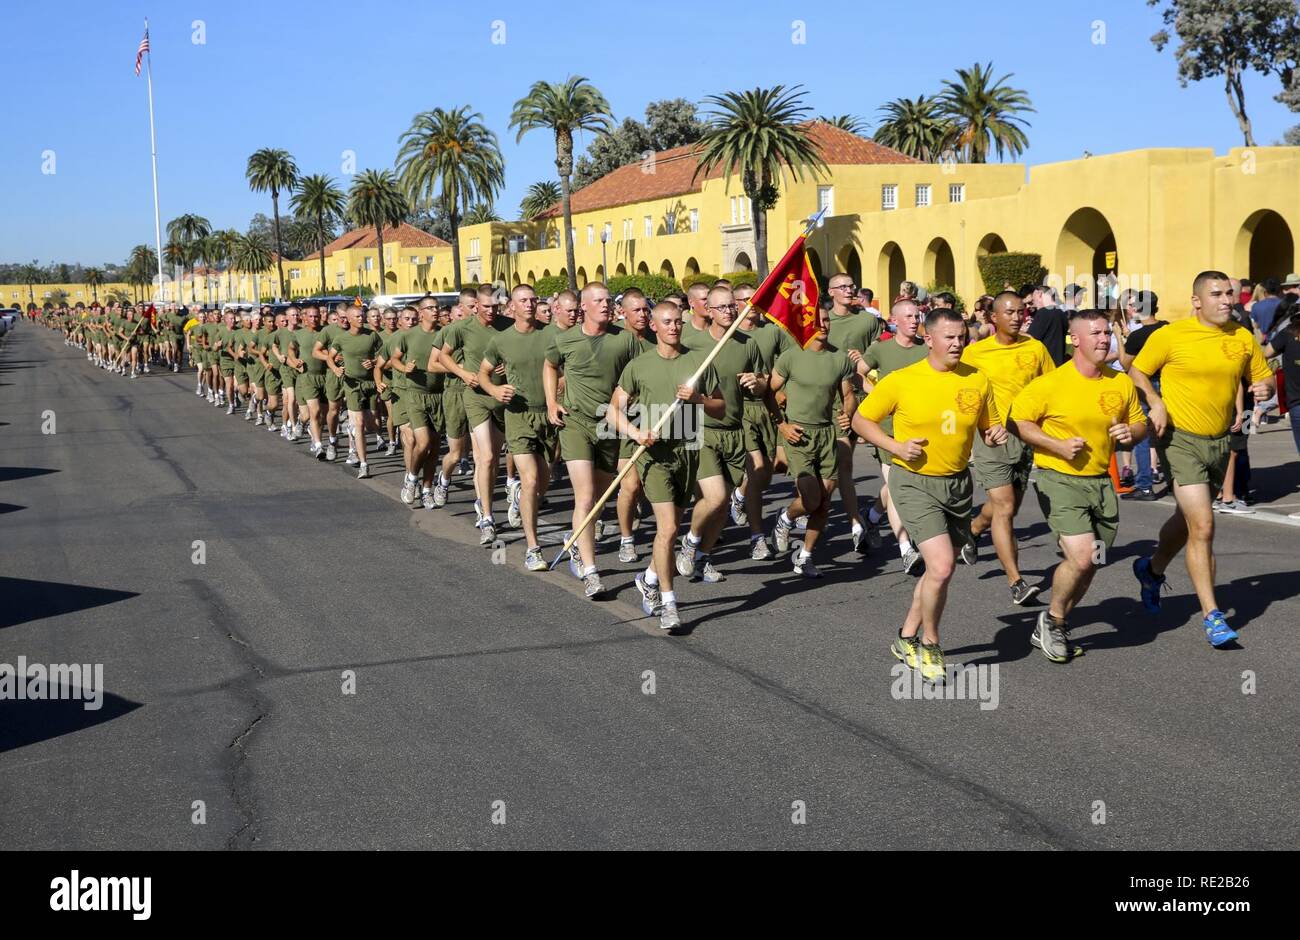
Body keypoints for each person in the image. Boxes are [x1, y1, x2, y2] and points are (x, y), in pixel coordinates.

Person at [854, 307, 1005, 682]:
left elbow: (989, 425)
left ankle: (905, 636)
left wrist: (994, 434)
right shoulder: (903, 380)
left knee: (940, 573)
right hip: (913, 481)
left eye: (962, 336)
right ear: (929, 338)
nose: (957, 343)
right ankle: (930, 643)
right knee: (941, 566)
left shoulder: (978, 379)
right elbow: (861, 419)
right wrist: (895, 446)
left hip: (957, 484)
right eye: (950, 337)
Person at [1129, 271, 1275, 647]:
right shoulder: (1171, 335)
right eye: (1217, 294)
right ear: (1197, 301)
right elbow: (1136, 369)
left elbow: (1263, 377)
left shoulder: (1241, 337)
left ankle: (1152, 569)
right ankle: (1212, 616)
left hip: (1218, 442)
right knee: (1204, 526)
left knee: (1187, 521)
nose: (1227, 300)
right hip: (1179, 439)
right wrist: (1156, 402)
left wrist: (1264, 386)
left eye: (1230, 293)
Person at [1009, 309, 1147, 662]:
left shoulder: (1119, 382)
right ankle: (1054, 621)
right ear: (1075, 340)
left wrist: (1130, 433)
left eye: (1106, 333)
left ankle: (1055, 620)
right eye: (1096, 334)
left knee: (1094, 561)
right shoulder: (1050, 383)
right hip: (1059, 479)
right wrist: (1055, 445)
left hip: (1101, 482)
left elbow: (1140, 425)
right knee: (1082, 556)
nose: (1104, 339)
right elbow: (1018, 421)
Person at [609, 302, 723, 631]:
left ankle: (647, 578)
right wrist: (635, 433)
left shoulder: (698, 363)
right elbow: (613, 412)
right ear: (654, 327)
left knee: (671, 527)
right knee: (669, 529)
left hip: (687, 450)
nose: (674, 327)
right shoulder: (639, 366)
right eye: (667, 322)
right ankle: (669, 602)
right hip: (653, 455)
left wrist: (698, 400)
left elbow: (720, 408)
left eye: (678, 322)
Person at [544, 282, 645, 598]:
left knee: (599, 498)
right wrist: (551, 402)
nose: (605, 305)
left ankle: (574, 539)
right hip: (575, 423)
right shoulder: (565, 339)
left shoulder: (625, 340)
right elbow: (549, 365)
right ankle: (591, 571)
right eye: (598, 300)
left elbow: (650, 366)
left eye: (607, 300)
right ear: (583, 306)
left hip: (609, 426)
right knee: (586, 497)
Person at [961, 291, 1056, 605]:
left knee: (1008, 505)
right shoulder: (975, 354)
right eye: (1010, 312)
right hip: (992, 436)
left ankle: (974, 529)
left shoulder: (1036, 348)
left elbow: (1052, 388)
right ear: (994, 317)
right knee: (1004, 508)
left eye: (1021, 311)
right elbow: (960, 393)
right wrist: (979, 427)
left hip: (1026, 436)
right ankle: (1016, 581)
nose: (1017, 317)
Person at [676, 285, 765, 582]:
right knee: (713, 498)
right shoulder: (691, 343)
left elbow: (763, 384)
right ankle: (690, 542)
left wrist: (757, 382)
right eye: (722, 307)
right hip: (700, 430)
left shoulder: (747, 344)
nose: (729, 311)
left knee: (723, 503)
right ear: (709, 311)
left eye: (732, 306)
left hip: (733, 430)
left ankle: (704, 556)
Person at [766, 303, 859, 578]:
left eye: (827, 320)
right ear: (807, 324)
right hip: (799, 434)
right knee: (811, 498)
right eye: (818, 320)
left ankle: (804, 557)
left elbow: (848, 393)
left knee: (824, 503)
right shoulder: (790, 357)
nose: (824, 325)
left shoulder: (840, 358)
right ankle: (785, 518)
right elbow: (769, 393)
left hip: (826, 434)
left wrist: (848, 414)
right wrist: (782, 425)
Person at [481, 285, 561, 571]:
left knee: (543, 481)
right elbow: (483, 373)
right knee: (529, 480)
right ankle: (533, 548)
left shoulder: (552, 334)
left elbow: (564, 368)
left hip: (549, 416)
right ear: (512, 307)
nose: (529, 304)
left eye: (533, 300)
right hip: (518, 416)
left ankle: (520, 500)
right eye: (523, 301)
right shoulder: (501, 340)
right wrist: (493, 390)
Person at [853, 300, 929, 571]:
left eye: (917, 315)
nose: (913, 319)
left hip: (921, 428)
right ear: (894, 319)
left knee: (898, 483)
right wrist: (877, 396)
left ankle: (872, 516)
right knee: (897, 486)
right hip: (888, 430)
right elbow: (857, 373)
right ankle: (906, 549)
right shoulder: (881, 349)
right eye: (907, 315)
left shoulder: (926, 348)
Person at [438, 286, 514, 545]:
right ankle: (487, 517)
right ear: (476, 306)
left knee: (493, 460)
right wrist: (462, 373)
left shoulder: (508, 325)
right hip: (475, 397)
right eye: (486, 306)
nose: (491, 311)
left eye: (495, 306)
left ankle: (484, 500)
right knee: (487, 456)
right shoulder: (462, 328)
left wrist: (507, 365)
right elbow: (442, 357)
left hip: (502, 396)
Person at [824, 272, 884, 551]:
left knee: (849, 465)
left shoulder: (868, 320)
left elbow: (877, 356)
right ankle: (852, 521)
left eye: (852, 286)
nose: (850, 290)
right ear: (831, 291)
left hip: (862, 396)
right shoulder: (823, 321)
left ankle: (861, 520)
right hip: (829, 398)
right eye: (843, 286)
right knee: (834, 469)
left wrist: (866, 361)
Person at [388, 296, 448, 509]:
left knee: (433, 447)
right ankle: (411, 479)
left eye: (437, 308)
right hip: (414, 394)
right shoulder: (408, 335)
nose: (435, 311)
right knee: (422, 442)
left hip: (439, 395)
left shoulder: (444, 333)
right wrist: (404, 368)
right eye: (430, 308)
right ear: (420, 313)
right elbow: (394, 358)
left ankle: (427, 490)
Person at [325, 305, 384, 480]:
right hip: (352, 385)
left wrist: (373, 361)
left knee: (373, 424)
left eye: (362, 315)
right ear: (348, 319)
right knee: (358, 424)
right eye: (357, 316)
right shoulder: (341, 339)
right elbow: (329, 357)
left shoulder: (372, 335)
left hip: (370, 384)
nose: (361, 318)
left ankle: (351, 428)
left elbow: (383, 356)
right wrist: (335, 369)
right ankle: (364, 464)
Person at [1117, 290, 1165, 500]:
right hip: (1168, 383)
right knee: (1167, 433)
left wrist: (1120, 338)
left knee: (1143, 437)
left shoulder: (1138, 335)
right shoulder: (1166, 328)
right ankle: (1175, 479)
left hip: (1145, 385)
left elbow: (1125, 363)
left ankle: (1144, 485)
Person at [1027, 285, 1069, 366]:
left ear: (1040, 294)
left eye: (1033, 300)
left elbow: (1031, 339)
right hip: (1059, 363)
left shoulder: (1044, 312)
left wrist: (1019, 331)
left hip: (1046, 365)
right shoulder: (1061, 312)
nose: (1034, 304)